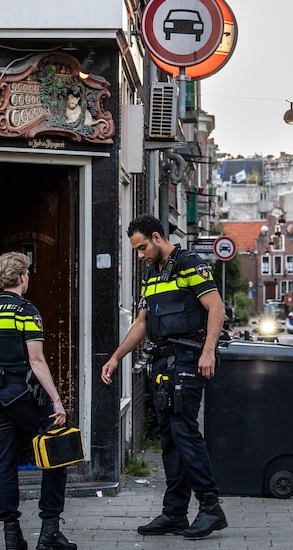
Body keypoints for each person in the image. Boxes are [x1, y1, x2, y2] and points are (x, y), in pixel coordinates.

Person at [100, 214, 228, 539]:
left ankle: (210, 507)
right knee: (169, 439)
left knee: (184, 432)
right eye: (136, 250)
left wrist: (208, 352)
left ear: (157, 237)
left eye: (142, 247)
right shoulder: (152, 275)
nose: (140, 254)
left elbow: (216, 308)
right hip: (162, 364)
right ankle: (175, 513)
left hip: (187, 360)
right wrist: (116, 357)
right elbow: (141, 323)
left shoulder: (189, 264)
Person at [0, 252, 75, 550]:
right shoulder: (26, 311)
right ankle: (49, 531)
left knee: (5, 462)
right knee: (57, 449)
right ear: (23, 276)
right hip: (21, 394)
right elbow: (36, 361)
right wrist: (57, 401)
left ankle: (12, 536)